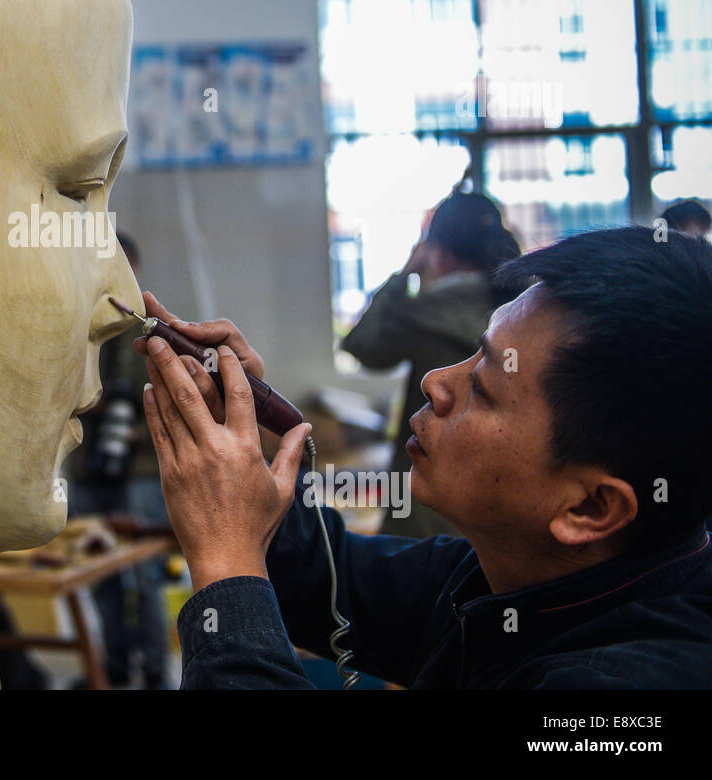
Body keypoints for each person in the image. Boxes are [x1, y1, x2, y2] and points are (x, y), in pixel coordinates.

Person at [137, 226, 712, 688]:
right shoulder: (508, 579)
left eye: (483, 388)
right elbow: (326, 578)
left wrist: (226, 566)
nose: (436, 381)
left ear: (590, 507)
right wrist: (245, 447)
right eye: (474, 355)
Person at [341, 190, 520, 538]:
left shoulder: (423, 314)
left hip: (428, 499)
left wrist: (404, 275)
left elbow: (361, 345)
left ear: (437, 252)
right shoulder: (518, 308)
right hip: (500, 493)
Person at [67, 233, 171, 688]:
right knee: (98, 574)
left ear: (135, 271)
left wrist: (135, 431)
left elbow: (176, 405)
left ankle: (154, 673)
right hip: (87, 468)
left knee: (144, 578)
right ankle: (113, 669)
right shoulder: (74, 324)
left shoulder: (150, 330)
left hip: (139, 472)